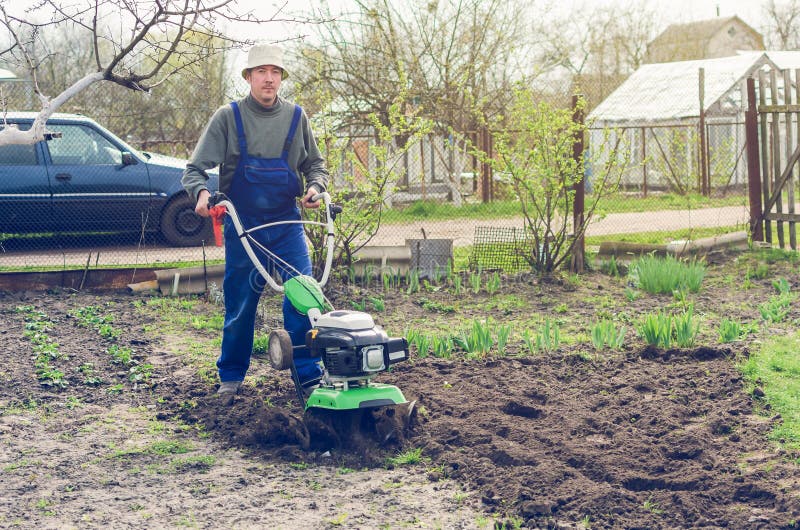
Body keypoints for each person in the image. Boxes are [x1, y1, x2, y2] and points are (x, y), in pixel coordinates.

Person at [182, 43, 329, 396]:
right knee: (241, 302)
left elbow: (316, 165)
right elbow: (194, 170)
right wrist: (201, 194)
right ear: (249, 77)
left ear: (281, 78)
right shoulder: (228, 118)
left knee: (304, 297)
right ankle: (231, 376)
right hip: (244, 226)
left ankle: (307, 376)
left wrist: (315, 187)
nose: (268, 79)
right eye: (261, 72)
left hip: (286, 224)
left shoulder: (297, 117)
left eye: (275, 72)